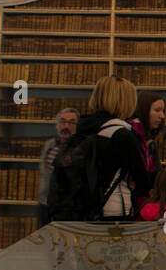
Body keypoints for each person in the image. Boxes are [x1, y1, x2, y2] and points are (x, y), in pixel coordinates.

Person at [50, 74, 151, 220]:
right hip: (112, 210)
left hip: (81, 211)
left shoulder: (83, 129)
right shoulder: (122, 134)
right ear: (126, 102)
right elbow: (143, 181)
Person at [35, 107, 78, 227]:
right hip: (45, 203)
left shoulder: (81, 148)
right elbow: (44, 172)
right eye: (62, 122)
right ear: (57, 125)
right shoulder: (50, 145)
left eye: (71, 123)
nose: (66, 126)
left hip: (69, 208)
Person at [127, 90, 165, 182]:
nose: (162, 116)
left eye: (163, 111)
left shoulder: (149, 141)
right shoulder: (130, 135)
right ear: (144, 111)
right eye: (157, 110)